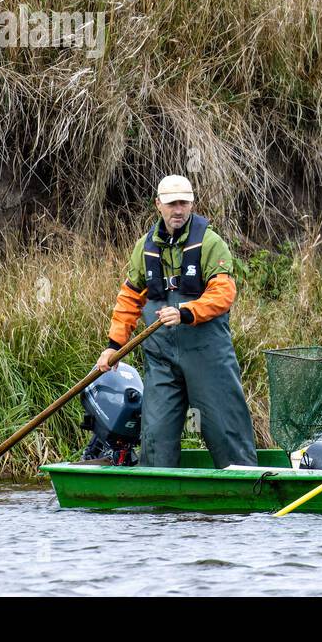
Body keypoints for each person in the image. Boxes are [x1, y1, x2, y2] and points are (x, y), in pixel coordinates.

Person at [97, 174, 258, 469]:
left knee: (225, 430)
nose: (178, 210)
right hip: (161, 360)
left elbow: (224, 293)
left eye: (183, 202)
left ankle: (245, 487)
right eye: (171, 204)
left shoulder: (211, 243)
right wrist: (113, 345)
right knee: (155, 435)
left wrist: (186, 312)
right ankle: (158, 500)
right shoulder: (143, 248)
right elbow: (129, 300)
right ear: (159, 205)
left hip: (207, 356)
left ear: (192, 203)